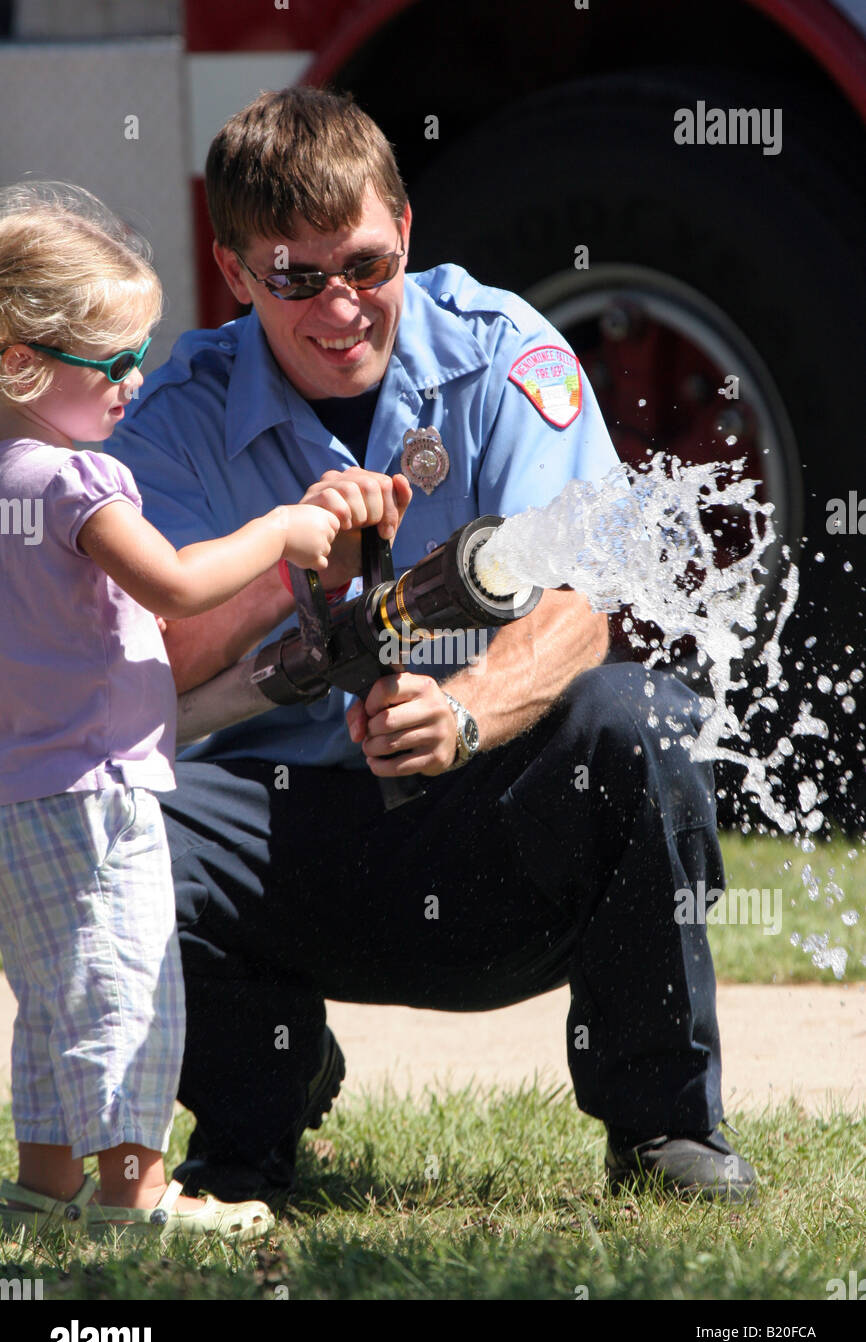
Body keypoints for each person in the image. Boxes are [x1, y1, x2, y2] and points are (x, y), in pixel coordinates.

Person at [112, 87, 757, 1205]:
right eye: (295, 278)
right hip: (286, 831)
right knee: (107, 807)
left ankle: (663, 1129)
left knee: (643, 718)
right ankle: (254, 1113)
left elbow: (584, 601)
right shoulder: (173, 417)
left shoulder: (504, 354)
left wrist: (462, 715)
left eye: (364, 264)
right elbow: (133, 676)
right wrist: (281, 573)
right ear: (234, 274)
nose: (341, 307)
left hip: (484, 829)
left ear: (404, 230)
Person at [0, 182, 348, 1240]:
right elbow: (180, 585)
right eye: (111, 364)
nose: (133, 382)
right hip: (97, 795)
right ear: (20, 361)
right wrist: (284, 529)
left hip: (22, 796)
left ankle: (47, 1183)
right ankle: (136, 1196)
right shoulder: (70, 485)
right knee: (131, 992)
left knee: (55, 998)